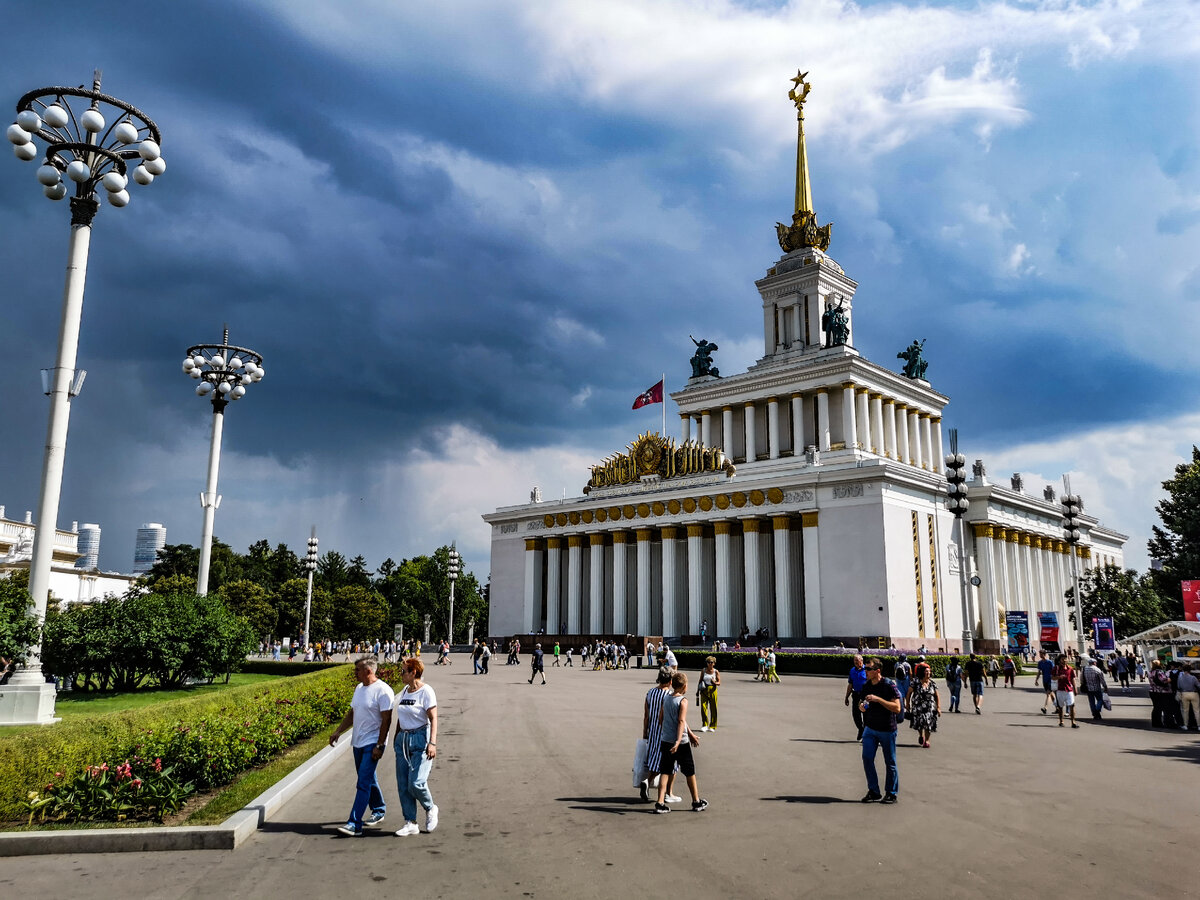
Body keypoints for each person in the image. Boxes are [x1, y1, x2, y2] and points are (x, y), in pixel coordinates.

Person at [330, 656, 395, 836]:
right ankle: (379, 809)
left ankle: (354, 824)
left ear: (368, 671)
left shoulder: (383, 691)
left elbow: (386, 720)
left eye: (357, 670)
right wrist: (338, 731)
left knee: (363, 782)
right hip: (357, 742)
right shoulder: (359, 688)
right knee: (367, 778)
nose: (354, 673)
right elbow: (352, 713)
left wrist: (380, 745)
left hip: (373, 743)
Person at [384, 656, 439, 836]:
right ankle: (411, 822)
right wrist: (396, 737)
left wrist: (432, 743)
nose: (401, 674)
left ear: (413, 672)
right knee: (402, 784)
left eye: (403, 671)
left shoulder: (426, 691)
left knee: (416, 782)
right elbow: (402, 716)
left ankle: (430, 808)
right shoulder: (405, 691)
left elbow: (433, 718)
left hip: (420, 739)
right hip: (403, 740)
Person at [654, 671, 707, 814]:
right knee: (690, 771)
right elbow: (681, 721)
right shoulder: (683, 701)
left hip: (666, 740)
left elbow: (661, 718)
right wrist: (678, 741)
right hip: (680, 743)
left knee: (665, 770)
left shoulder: (666, 699)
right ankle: (696, 801)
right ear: (684, 686)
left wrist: (689, 734)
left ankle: (660, 802)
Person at [858, 658, 901, 804]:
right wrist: (862, 706)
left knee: (890, 761)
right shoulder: (866, 686)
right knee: (867, 758)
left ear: (877, 671)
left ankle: (891, 793)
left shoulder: (889, 685)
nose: (866, 671)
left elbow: (897, 708)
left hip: (887, 729)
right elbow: (863, 701)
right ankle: (874, 791)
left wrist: (878, 700)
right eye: (865, 668)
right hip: (870, 728)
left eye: (868, 669)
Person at [641, 666, 678, 804]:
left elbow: (646, 715)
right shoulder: (669, 696)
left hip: (653, 732)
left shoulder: (650, 693)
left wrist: (645, 732)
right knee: (671, 764)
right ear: (670, 681)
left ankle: (647, 781)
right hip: (666, 733)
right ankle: (668, 792)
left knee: (655, 761)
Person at [906, 663, 940, 748]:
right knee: (919, 723)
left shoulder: (932, 683)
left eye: (929, 672)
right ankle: (921, 735)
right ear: (922, 673)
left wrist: (938, 707)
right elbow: (909, 693)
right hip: (918, 707)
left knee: (928, 724)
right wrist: (907, 704)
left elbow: (936, 696)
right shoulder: (916, 682)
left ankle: (927, 740)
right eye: (926, 672)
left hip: (929, 707)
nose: (928, 673)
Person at [845, 655, 868, 740]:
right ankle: (861, 729)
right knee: (855, 714)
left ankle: (865, 735)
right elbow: (850, 684)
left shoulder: (867, 670)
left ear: (861, 661)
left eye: (857, 660)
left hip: (865, 695)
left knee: (866, 714)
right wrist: (846, 696)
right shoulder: (852, 671)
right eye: (854, 661)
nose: (855, 662)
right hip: (856, 694)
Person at [1052, 654, 1078, 728]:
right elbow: (1053, 678)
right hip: (1060, 690)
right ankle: (1061, 721)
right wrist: (1059, 677)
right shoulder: (1056, 668)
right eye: (1062, 659)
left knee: (1072, 705)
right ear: (1059, 661)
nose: (1064, 660)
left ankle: (1073, 722)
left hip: (1069, 690)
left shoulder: (1070, 669)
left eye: (1065, 659)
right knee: (1060, 707)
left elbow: (1073, 679)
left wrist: (1075, 689)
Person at [1080, 656, 1109, 721]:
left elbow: (1081, 678)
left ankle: (1094, 713)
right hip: (1097, 688)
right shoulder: (1097, 669)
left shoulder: (1084, 669)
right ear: (1094, 663)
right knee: (1100, 700)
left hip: (1088, 688)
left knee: (1091, 702)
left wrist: (1082, 684)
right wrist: (1105, 687)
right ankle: (1097, 710)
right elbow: (1102, 680)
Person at [697, 656, 721, 731]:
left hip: (713, 690)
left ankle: (713, 726)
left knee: (713, 708)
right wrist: (697, 691)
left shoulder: (716, 671)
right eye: (708, 662)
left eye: (711, 662)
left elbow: (719, 682)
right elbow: (700, 680)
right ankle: (705, 724)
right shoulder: (703, 670)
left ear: (714, 663)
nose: (710, 664)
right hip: (704, 690)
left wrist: (715, 682)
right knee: (703, 708)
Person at [1178, 662, 1200, 731]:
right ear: (1190, 670)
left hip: (1184, 694)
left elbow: (1179, 686)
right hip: (1194, 693)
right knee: (1197, 710)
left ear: (1183, 670)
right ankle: (1199, 725)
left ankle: (1185, 725)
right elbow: (1198, 686)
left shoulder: (1180, 678)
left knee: (1185, 710)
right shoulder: (1193, 678)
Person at [1036, 650, 1057, 714]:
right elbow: (1039, 672)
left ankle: (1045, 708)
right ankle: (1058, 708)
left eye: (1041, 654)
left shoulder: (1050, 662)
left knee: (1048, 694)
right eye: (1039, 654)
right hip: (1044, 680)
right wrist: (1036, 680)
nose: (1040, 655)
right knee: (1051, 695)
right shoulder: (1040, 663)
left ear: (1044, 654)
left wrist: (1055, 678)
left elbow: (1054, 671)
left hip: (1051, 680)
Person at [893, 655, 912, 723]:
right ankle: (907, 707)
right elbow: (910, 673)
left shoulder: (897, 664)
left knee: (901, 693)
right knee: (907, 693)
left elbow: (895, 671)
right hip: (905, 679)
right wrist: (911, 680)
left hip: (898, 679)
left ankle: (902, 706)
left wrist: (896, 679)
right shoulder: (907, 664)